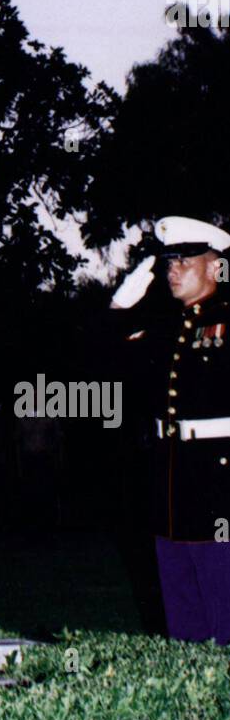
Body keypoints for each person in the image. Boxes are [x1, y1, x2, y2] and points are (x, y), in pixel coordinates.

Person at [111, 215, 230, 643]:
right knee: (177, 587)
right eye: (167, 263)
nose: (172, 270)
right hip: (170, 471)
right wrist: (124, 302)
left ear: (216, 267)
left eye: (184, 260)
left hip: (219, 474)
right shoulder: (162, 328)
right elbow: (101, 352)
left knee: (221, 583)